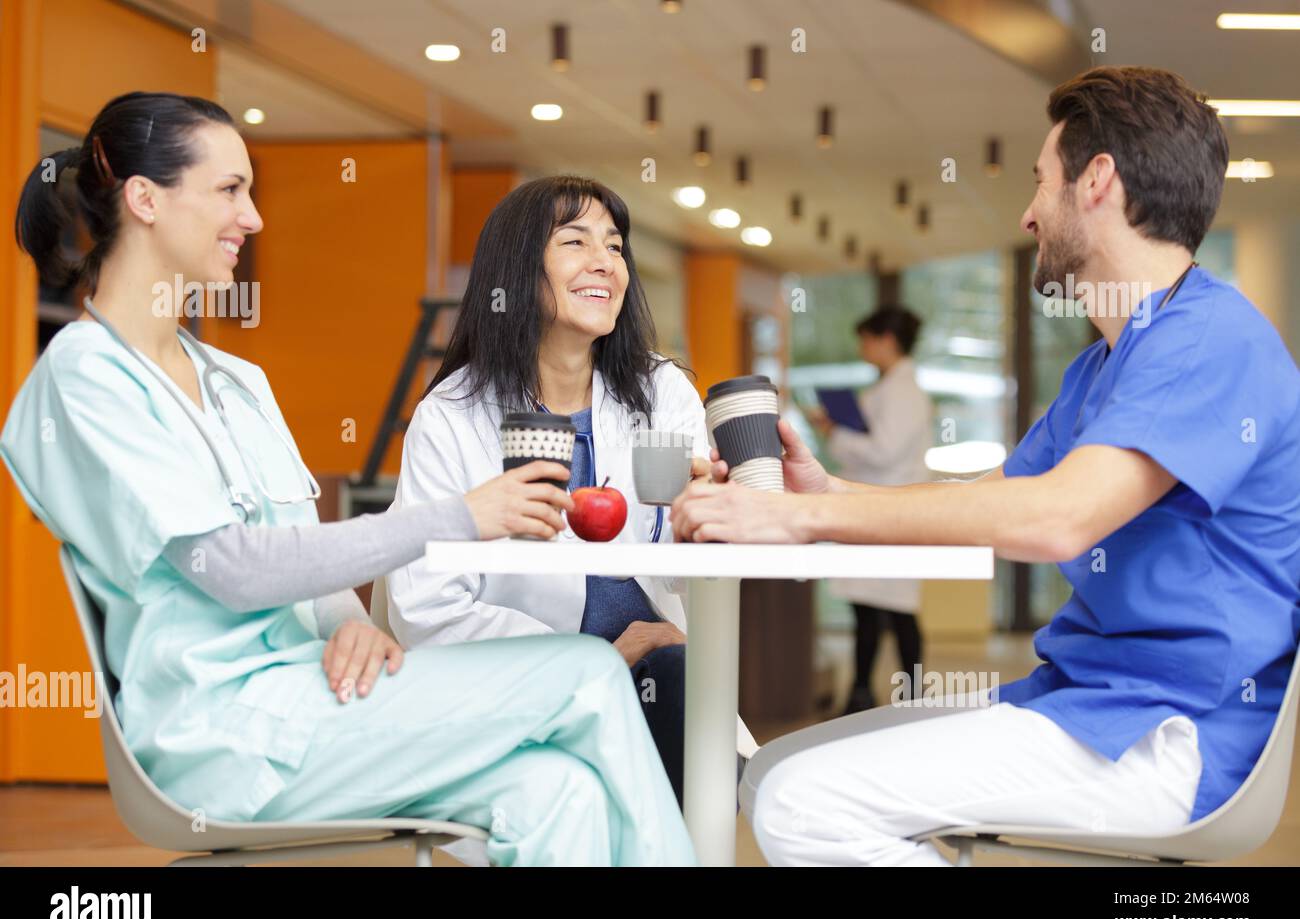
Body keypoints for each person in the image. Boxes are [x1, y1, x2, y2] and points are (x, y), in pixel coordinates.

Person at [1, 92, 695, 866]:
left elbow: (301, 553)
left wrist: (351, 625)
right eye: (231, 190)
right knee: (589, 674)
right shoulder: (86, 375)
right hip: (222, 735)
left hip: (320, 700)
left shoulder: (235, 379)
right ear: (145, 199)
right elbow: (231, 569)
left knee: (558, 791)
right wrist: (461, 516)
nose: (254, 217)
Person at [670, 66, 1300, 866]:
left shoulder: (1209, 341)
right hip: (1089, 705)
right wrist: (830, 491)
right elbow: (996, 502)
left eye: (1042, 182)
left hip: (1168, 734)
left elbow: (1058, 517)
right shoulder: (1104, 365)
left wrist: (799, 518)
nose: (1029, 212)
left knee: (802, 802)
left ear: (1097, 180)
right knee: (772, 774)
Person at [384, 175, 756, 809]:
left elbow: (704, 576)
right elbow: (424, 605)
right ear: (518, 267)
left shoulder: (662, 393)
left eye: (615, 247)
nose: (604, 263)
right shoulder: (452, 415)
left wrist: (714, 519)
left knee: (682, 689)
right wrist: (590, 657)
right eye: (575, 241)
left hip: (662, 664)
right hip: (523, 682)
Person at [808, 306, 934, 714]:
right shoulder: (887, 388)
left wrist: (836, 432)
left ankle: (904, 694)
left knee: (897, 610)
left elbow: (882, 451)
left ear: (887, 340)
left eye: (867, 338)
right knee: (871, 608)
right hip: (876, 506)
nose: (862, 347)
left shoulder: (904, 392)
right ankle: (863, 692)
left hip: (892, 507)